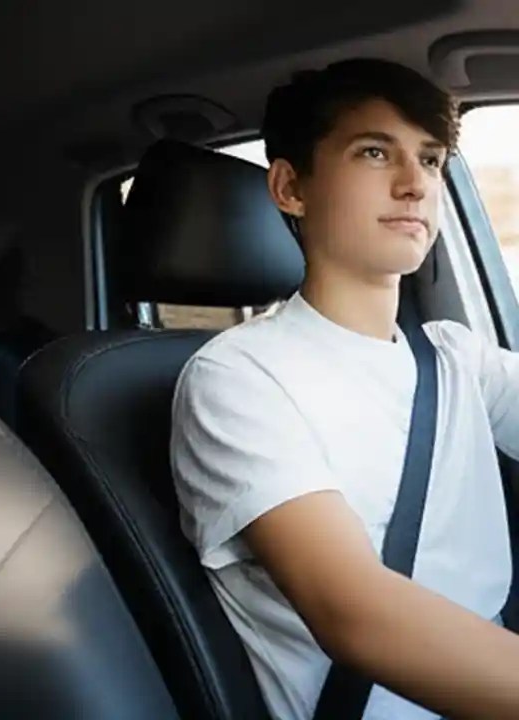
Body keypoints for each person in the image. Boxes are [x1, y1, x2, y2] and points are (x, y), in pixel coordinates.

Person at [171, 57, 519, 719]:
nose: (415, 184)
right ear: (290, 188)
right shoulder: (238, 378)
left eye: (431, 160)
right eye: (373, 152)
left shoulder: (454, 356)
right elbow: (356, 613)